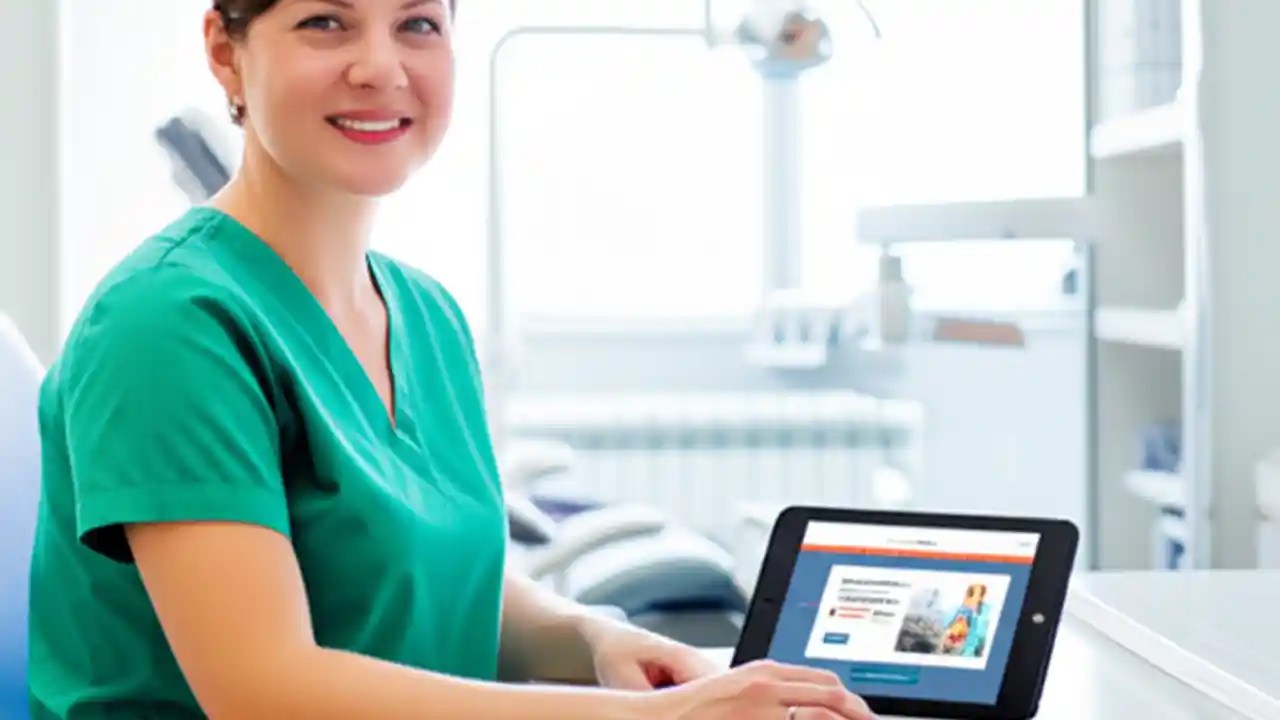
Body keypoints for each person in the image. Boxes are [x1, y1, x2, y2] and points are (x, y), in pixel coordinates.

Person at [25, 2, 876, 719]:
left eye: (419, 25)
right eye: (326, 23)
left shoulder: (423, 313)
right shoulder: (167, 324)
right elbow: (262, 690)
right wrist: (651, 718)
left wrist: (591, 638)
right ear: (225, 50)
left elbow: (429, 579)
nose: (380, 68)